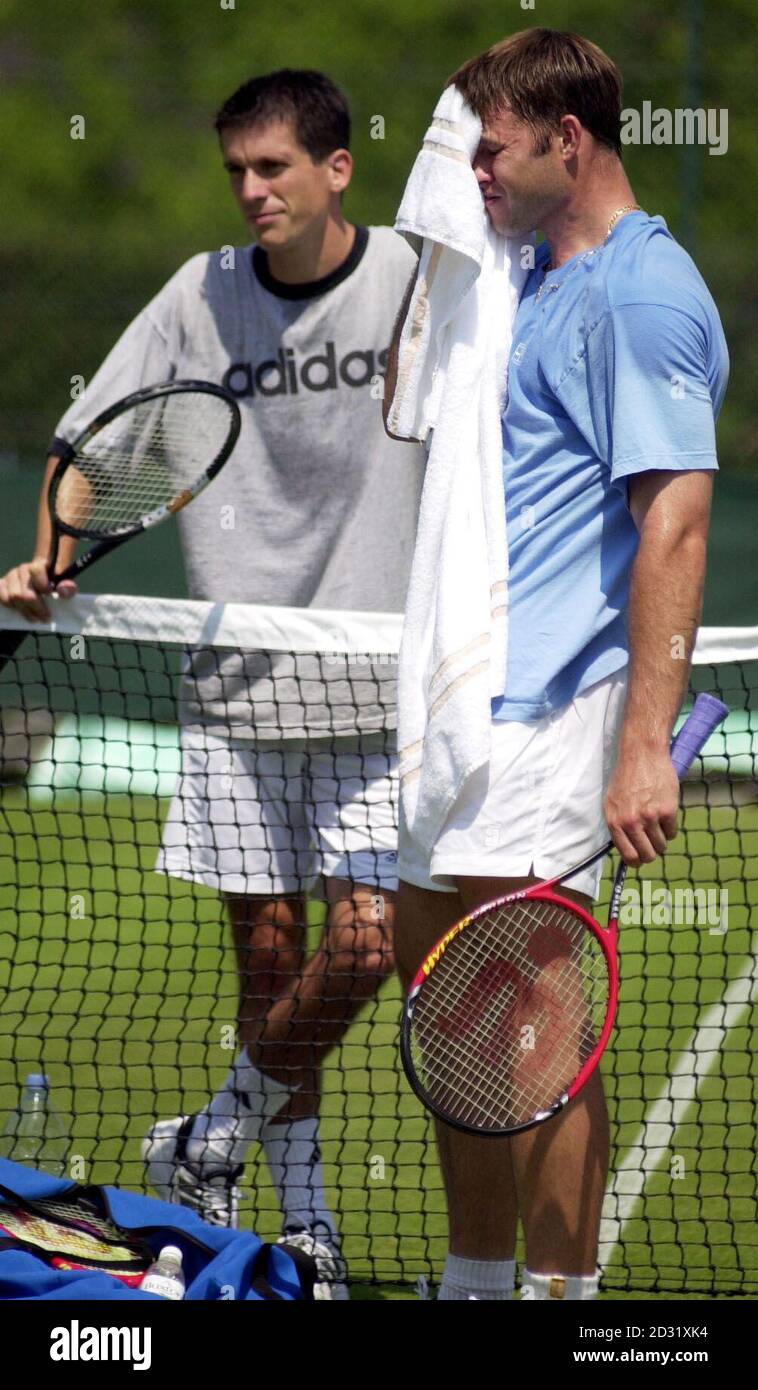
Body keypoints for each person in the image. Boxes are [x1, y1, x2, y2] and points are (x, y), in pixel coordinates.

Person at [0, 69, 424, 1294]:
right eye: (237, 170)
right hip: (236, 700)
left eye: (274, 167)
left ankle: (210, 1134)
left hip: (375, 695)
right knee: (266, 970)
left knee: (362, 950)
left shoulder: (412, 277)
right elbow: (87, 445)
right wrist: (52, 548)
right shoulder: (198, 295)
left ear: (337, 168)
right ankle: (306, 1224)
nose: (251, 191)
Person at [385, 28, 728, 1302]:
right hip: (466, 709)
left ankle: (558, 1300)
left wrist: (641, 742)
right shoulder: (516, 275)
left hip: (558, 713)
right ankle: (472, 1278)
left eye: (490, 151)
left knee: (535, 1029)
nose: (470, 174)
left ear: (565, 142)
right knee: (450, 1012)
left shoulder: (640, 292)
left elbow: (674, 519)